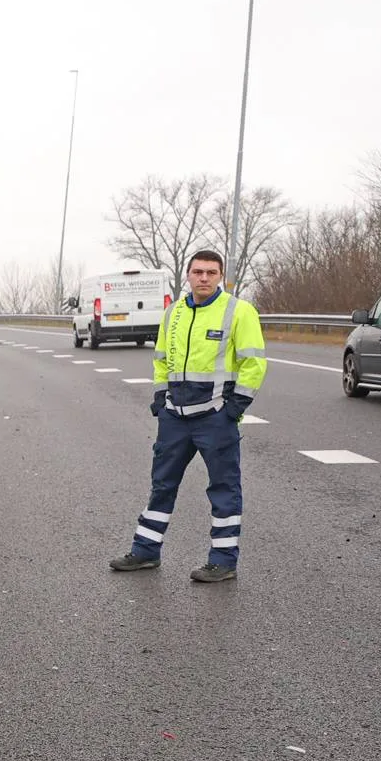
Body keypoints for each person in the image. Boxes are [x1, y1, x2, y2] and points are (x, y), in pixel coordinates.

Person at [109, 249, 266, 582]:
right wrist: (160, 399)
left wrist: (234, 408)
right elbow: (161, 359)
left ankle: (223, 561)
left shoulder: (239, 311)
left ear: (220, 276)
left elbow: (254, 363)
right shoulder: (173, 313)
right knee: (161, 486)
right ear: (188, 275)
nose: (204, 278)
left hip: (215, 418)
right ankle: (145, 551)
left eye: (211, 272)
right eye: (198, 272)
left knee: (224, 489)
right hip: (175, 418)